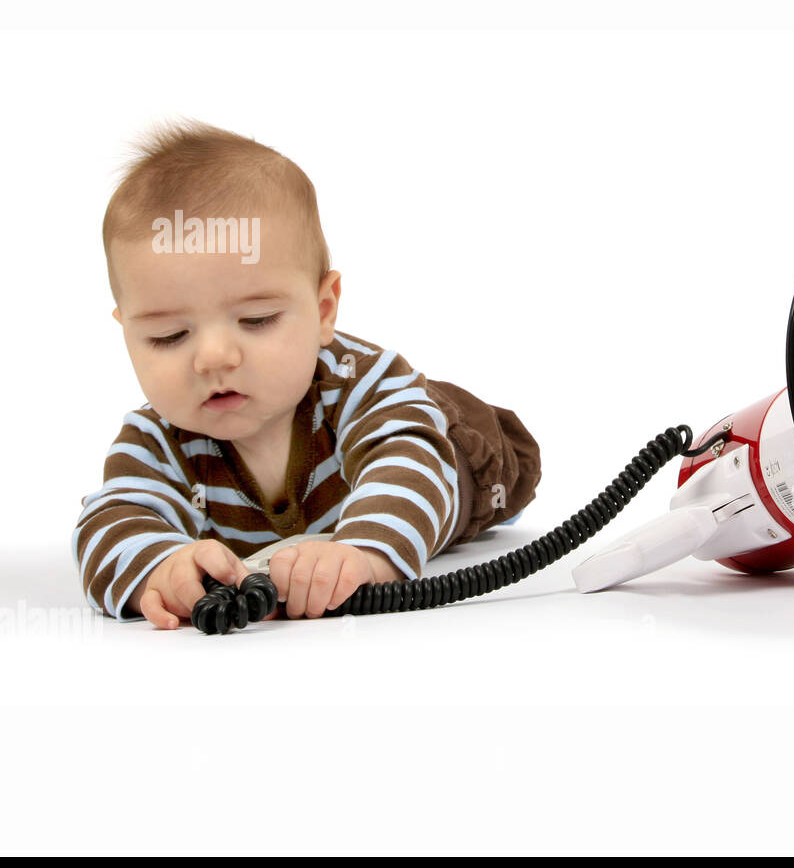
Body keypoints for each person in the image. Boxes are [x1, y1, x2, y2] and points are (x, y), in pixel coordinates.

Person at [72, 120, 541, 628]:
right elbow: (109, 521)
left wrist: (365, 553)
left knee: (455, 458)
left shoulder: (364, 388)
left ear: (323, 310)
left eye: (256, 320)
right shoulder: (154, 440)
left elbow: (409, 463)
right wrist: (157, 567)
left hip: (465, 449)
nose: (213, 358)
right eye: (168, 336)